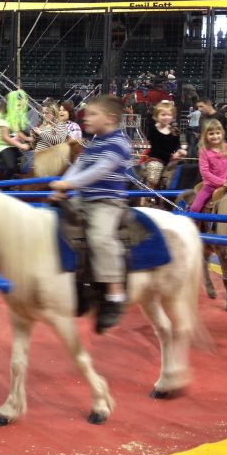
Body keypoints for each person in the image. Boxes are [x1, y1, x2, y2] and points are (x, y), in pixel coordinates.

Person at [50, 96, 133, 333]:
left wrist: (69, 184)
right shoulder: (95, 141)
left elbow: (99, 170)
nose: (86, 116)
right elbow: (81, 164)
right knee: (56, 222)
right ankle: (76, 282)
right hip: (83, 199)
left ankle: (115, 295)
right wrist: (64, 182)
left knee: (100, 238)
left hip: (106, 202)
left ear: (110, 118)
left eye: (93, 113)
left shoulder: (119, 143)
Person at [189, 119, 227, 214]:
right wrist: (222, 182)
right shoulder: (204, 151)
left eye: (217, 133)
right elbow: (205, 172)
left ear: (222, 133)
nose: (215, 136)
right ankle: (194, 224)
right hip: (210, 186)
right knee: (195, 208)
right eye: (211, 134)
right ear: (205, 136)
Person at [143, 101, 185, 188]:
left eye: (169, 115)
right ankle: (150, 194)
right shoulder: (153, 130)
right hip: (157, 159)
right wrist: (171, 156)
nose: (166, 117)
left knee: (183, 171)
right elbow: (156, 149)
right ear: (156, 116)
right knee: (153, 176)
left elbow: (177, 144)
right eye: (163, 115)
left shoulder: (174, 129)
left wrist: (180, 151)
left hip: (172, 160)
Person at [0, 90, 30, 178]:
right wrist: (21, 145)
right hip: (2, 146)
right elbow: (5, 137)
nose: (19, 108)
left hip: (9, 144)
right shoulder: (2, 117)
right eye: (17, 105)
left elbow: (18, 131)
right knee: (11, 166)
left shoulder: (10, 116)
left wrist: (29, 139)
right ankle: (4, 186)